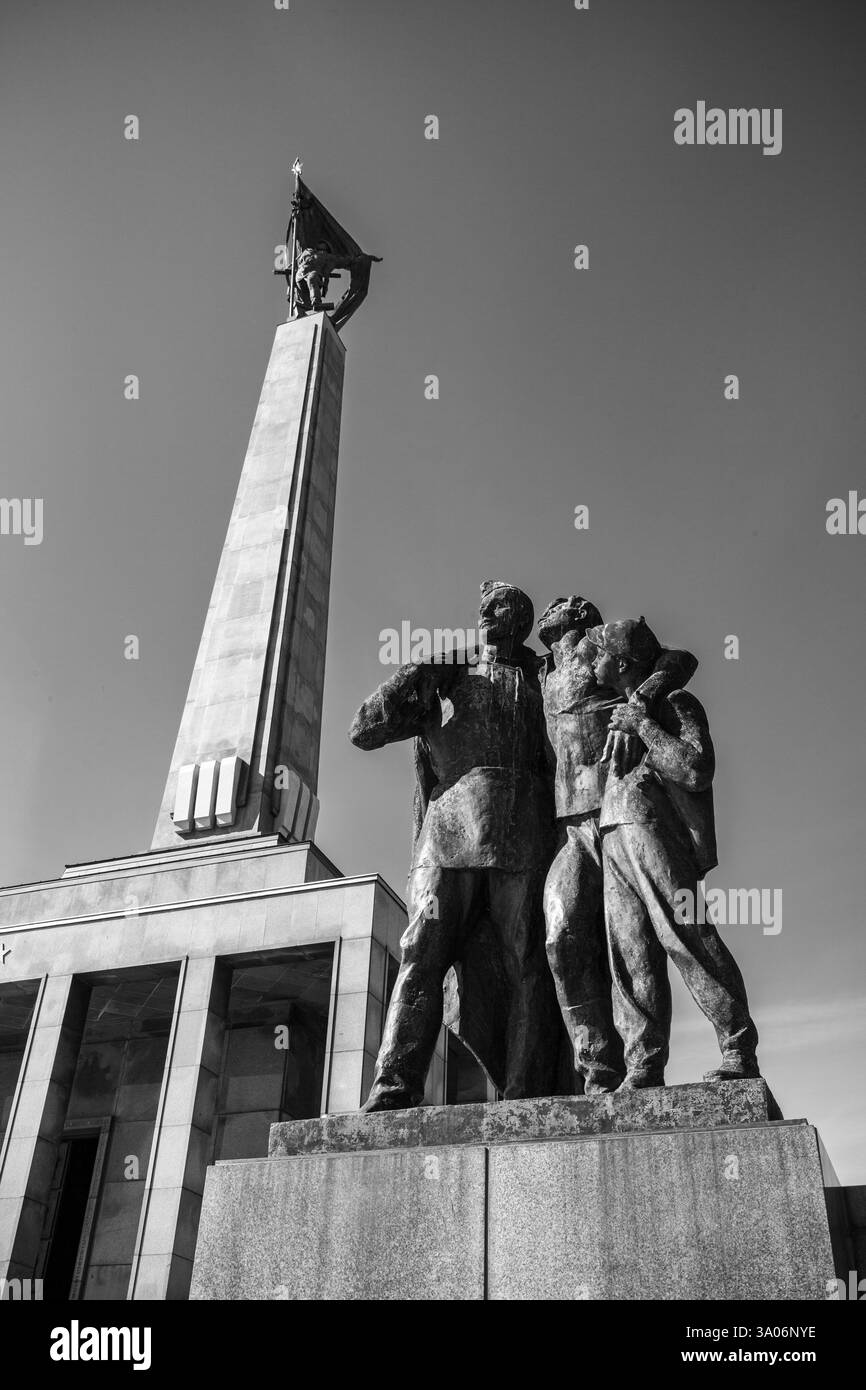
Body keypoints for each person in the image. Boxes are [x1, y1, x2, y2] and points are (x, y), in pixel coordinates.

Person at [349, 581, 563, 1110]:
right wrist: (418, 674)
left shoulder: (545, 678)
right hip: (447, 835)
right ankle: (394, 1085)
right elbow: (365, 729)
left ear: (523, 622)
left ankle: (525, 1091)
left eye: (505, 607)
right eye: (485, 607)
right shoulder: (447, 676)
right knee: (421, 953)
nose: (489, 614)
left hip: (525, 834)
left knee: (529, 958)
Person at [586, 617, 760, 1088]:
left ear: (622, 663)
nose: (591, 658)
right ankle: (643, 1063)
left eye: (599, 651)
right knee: (629, 951)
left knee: (686, 936)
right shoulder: (618, 706)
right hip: (614, 832)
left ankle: (738, 1047)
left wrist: (642, 721)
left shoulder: (674, 702)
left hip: (656, 830)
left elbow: (696, 768)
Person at [537, 596, 697, 1092]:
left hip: (616, 808)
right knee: (560, 937)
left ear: (581, 613)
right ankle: (596, 1068)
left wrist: (639, 704)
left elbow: (680, 660)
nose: (548, 609)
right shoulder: (538, 669)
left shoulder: (601, 647)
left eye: (559, 605)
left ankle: (643, 1063)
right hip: (569, 827)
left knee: (635, 941)